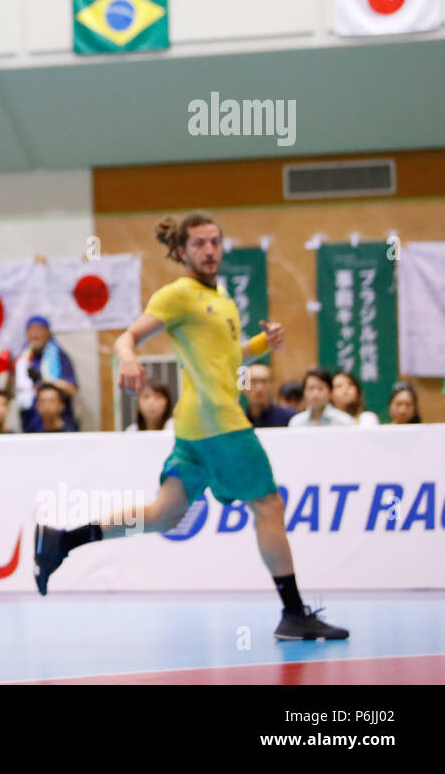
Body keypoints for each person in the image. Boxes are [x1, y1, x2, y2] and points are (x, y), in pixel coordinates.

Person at [35, 212, 349, 642]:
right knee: (269, 506)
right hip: (221, 424)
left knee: (164, 516)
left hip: (193, 428)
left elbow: (228, 360)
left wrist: (261, 344)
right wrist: (127, 357)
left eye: (215, 242)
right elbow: (129, 338)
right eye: (199, 243)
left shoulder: (222, 300)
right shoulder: (178, 295)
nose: (209, 250)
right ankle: (294, 614)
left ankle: (62, 542)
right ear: (181, 251)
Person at [11, 316, 78, 431]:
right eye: (31, 330)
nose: (35, 334)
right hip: (29, 423)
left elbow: (72, 390)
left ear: (48, 333)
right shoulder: (21, 359)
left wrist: (46, 381)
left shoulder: (59, 356)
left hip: (59, 425)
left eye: (39, 330)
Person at [288, 367, 357, 427]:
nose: (315, 394)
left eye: (320, 388)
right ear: (304, 392)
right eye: (311, 388)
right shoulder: (296, 423)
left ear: (330, 392)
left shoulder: (345, 422)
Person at [242, 362, 293, 428]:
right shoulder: (237, 422)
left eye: (264, 381)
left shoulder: (289, 418)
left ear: (273, 385)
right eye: (253, 381)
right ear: (244, 387)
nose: (259, 388)